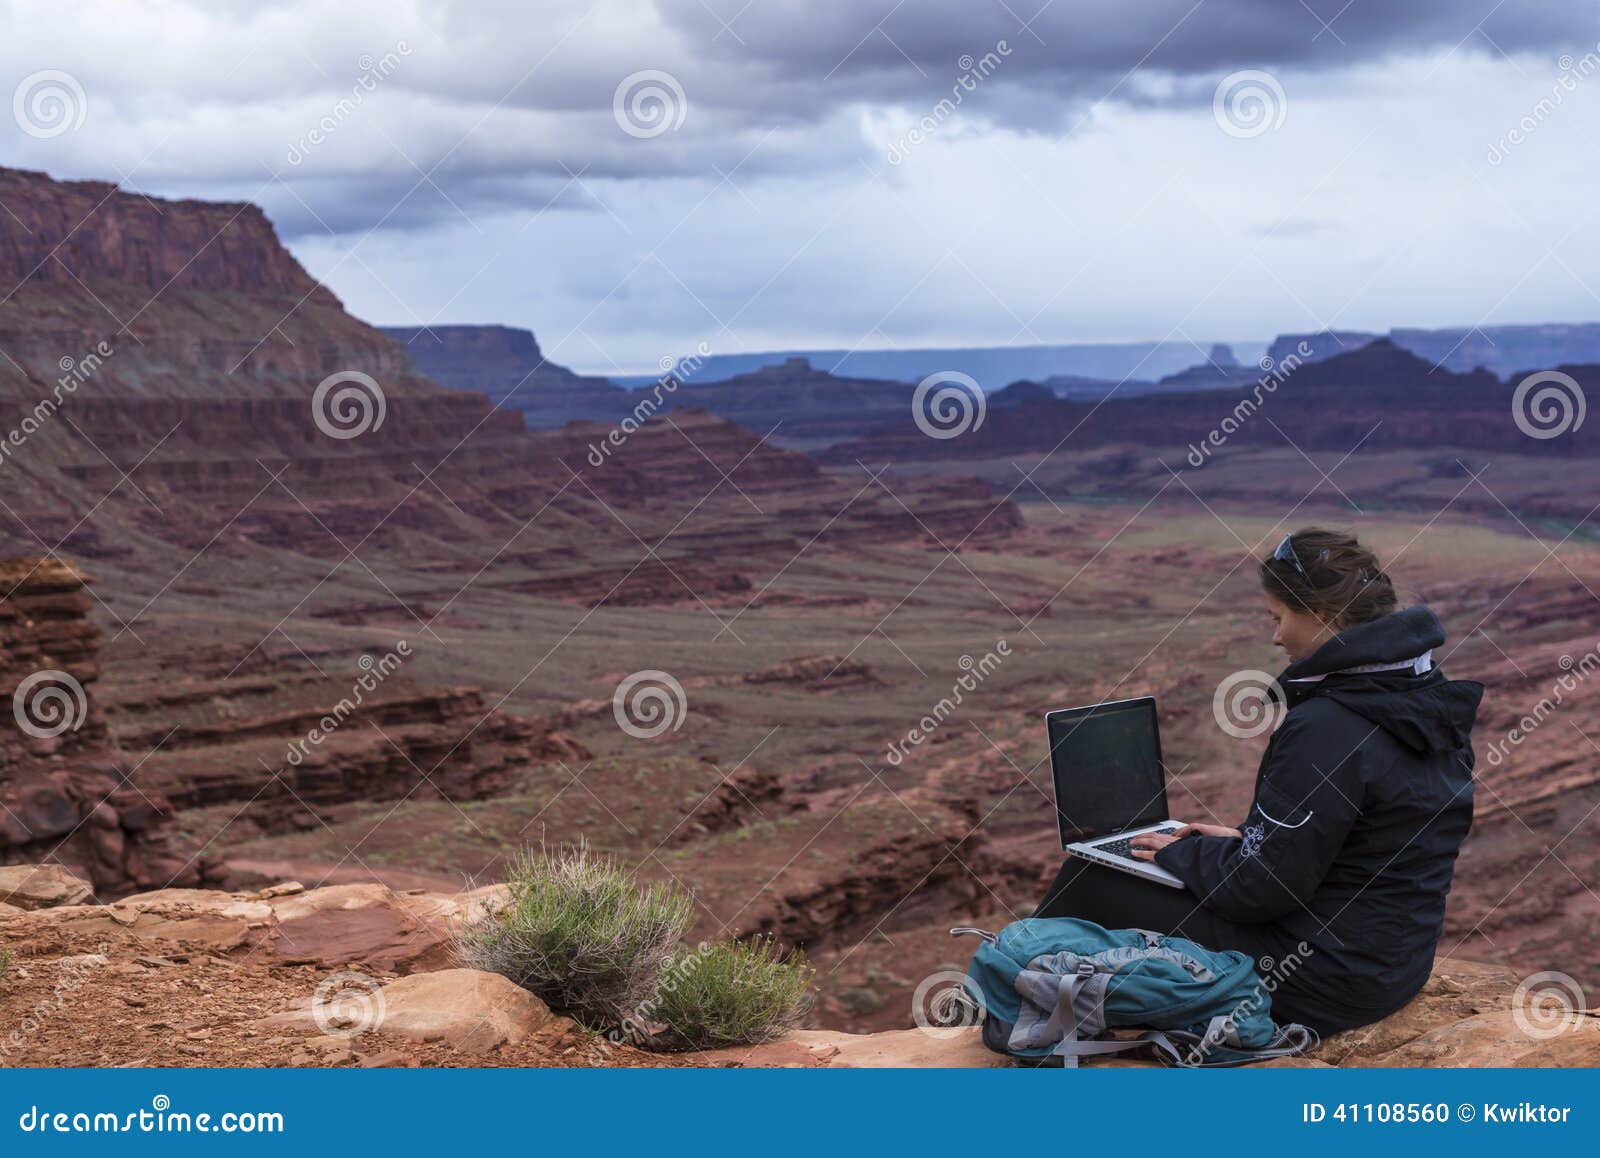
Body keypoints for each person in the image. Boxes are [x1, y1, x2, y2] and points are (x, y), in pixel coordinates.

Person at [1035, 527, 1483, 1034]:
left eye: (1279, 617)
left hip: (1322, 980)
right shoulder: (1429, 700)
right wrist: (1247, 841)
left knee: (1093, 877)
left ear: (1321, 616)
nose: (1275, 636)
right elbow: (1372, 841)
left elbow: (1260, 892)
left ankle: (1006, 1014)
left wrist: (1177, 853)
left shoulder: (1327, 725)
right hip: (1394, 968)